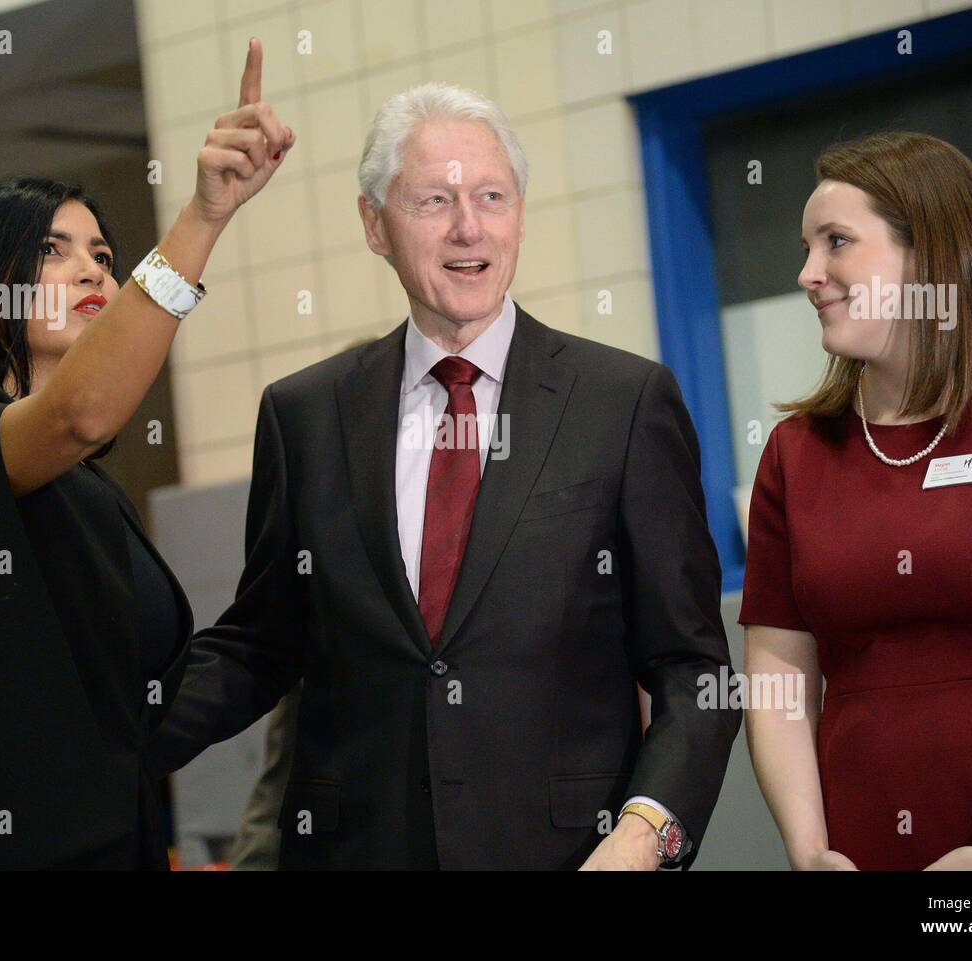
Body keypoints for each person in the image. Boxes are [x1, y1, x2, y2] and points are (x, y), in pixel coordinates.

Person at [146, 82, 741, 870]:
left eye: (492, 195)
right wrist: (92, 744)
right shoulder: (306, 415)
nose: (470, 226)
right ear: (374, 224)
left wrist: (645, 835)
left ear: (520, 213)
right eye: (433, 200)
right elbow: (259, 646)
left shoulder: (622, 403)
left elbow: (694, 670)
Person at [0, 39, 294, 869]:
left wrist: (298, 608)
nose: (92, 267)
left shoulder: (86, 493)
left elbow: (151, 717)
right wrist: (204, 216)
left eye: (102, 253)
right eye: (54, 249)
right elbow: (81, 414)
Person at [741, 131, 972, 871]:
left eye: (836, 242)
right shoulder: (797, 451)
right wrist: (808, 848)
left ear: (930, 253)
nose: (809, 273)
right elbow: (778, 675)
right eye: (807, 247)